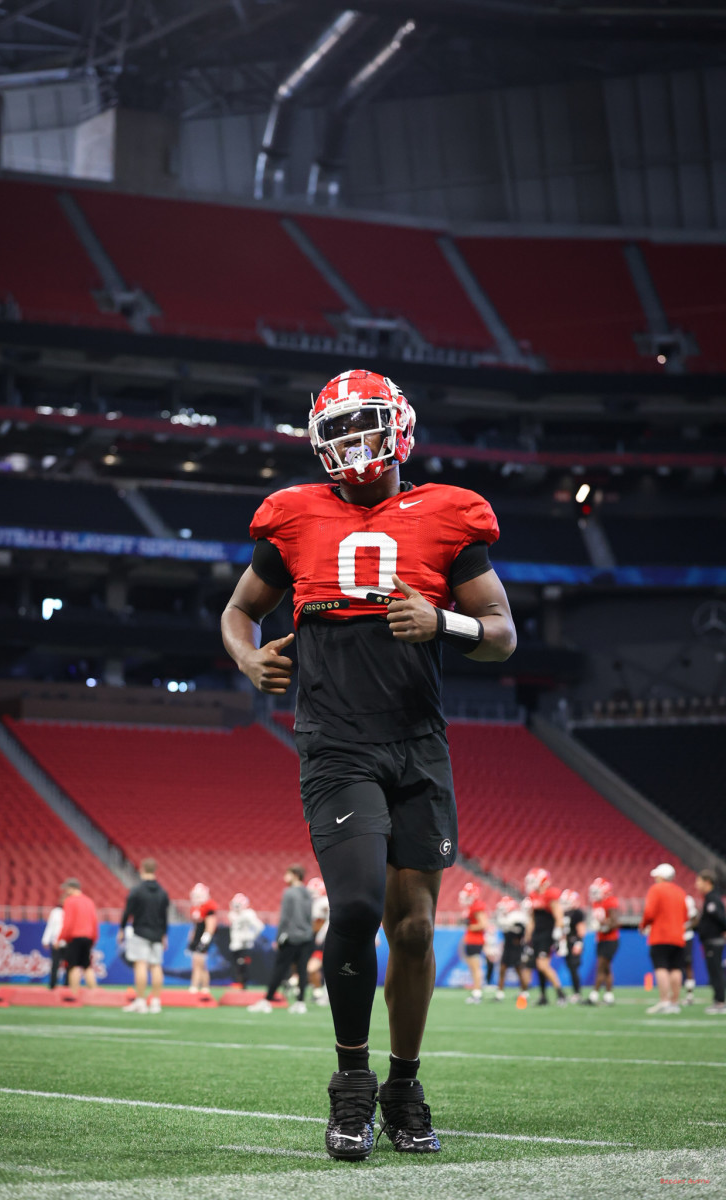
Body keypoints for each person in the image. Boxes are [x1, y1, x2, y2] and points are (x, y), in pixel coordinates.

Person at [222, 368, 516, 1160]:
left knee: (415, 928)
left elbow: (501, 633)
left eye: (366, 427)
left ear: (399, 429)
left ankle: (404, 1085)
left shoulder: (450, 514)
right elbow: (237, 610)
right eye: (340, 431)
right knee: (354, 910)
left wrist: (443, 620)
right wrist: (247, 661)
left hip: (417, 742)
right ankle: (350, 1085)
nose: (354, 445)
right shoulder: (291, 516)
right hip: (336, 740)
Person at [247, 865, 313, 1015]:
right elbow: (310, 916)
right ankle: (300, 1002)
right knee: (302, 970)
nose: (285, 877)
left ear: (295, 875)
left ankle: (267, 1001)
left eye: (287, 874)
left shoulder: (289, 893)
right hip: (307, 937)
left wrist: (278, 937)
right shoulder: (308, 893)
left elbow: (284, 917)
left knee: (279, 969)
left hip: (290, 937)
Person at [118, 858, 170, 1014]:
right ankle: (155, 1001)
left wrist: (121, 928)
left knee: (141, 965)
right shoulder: (162, 892)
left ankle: (141, 1001)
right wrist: (164, 934)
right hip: (157, 933)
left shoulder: (137, 890)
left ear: (141, 869)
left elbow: (128, 912)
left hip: (140, 932)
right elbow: (164, 916)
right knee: (156, 966)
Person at [639, 862, 687, 1015]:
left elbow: (649, 912)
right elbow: (685, 915)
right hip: (679, 935)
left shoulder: (656, 889)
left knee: (661, 967)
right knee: (676, 968)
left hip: (661, 935)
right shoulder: (680, 892)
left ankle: (664, 1000)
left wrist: (643, 925)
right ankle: (675, 1002)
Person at [524, 868, 567, 1007]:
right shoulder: (533, 895)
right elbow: (532, 919)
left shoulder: (551, 894)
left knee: (543, 965)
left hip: (547, 934)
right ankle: (543, 996)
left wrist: (559, 934)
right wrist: (527, 937)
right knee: (538, 966)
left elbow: (558, 915)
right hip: (537, 934)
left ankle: (560, 993)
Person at [57, 878, 98, 997]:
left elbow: (67, 922)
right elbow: (94, 921)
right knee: (86, 965)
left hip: (75, 936)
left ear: (71, 888)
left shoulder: (70, 901)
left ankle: (74, 994)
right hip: (88, 937)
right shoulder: (89, 901)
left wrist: (60, 938)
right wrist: (94, 938)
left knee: (73, 965)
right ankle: (95, 993)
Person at [694, 869, 726, 1014]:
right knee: (714, 971)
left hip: (714, 940)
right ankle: (718, 1000)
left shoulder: (713, 899)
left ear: (708, 882)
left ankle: (720, 1001)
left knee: (716, 971)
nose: (696, 884)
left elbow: (721, 918)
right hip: (711, 940)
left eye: (699, 881)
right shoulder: (710, 898)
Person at [585, 877, 620, 1006]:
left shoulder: (610, 901)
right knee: (606, 968)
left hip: (610, 939)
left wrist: (603, 927)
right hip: (601, 939)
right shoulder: (596, 903)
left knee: (601, 967)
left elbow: (615, 922)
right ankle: (609, 996)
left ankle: (594, 995)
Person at [494, 895, 531, 1002]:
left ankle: (524, 991)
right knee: (502, 969)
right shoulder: (505, 918)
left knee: (518, 969)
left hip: (516, 947)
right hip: (507, 946)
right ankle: (500, 993)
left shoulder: (517, 917)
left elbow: (520, 932)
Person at [458, 881, 487, 1004]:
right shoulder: (471, 906)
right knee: (473, 968)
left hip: (475, 941)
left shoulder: (477, 906)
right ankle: (476, 992)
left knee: (476, 968)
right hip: (471, 940)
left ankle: (477, 994)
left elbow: (483, 924)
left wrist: (469, 926)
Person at [227, 892, 265, 988]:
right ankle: (239, 982)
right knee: (236, 964)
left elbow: (259, 926)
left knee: (242, 964)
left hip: (245, 945)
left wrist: (250, 936)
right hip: (235, 944)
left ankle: (242, 983)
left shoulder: (248, 914)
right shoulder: (232, 915)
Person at [188, 883, 217, 996]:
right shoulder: (197, 908)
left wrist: (205, 940)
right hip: (198, 938)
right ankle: (205, 987)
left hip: (203, 939)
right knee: (201, 964)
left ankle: (195, 986)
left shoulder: (209, 908)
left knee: (197, 963)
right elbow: (196, 926)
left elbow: (211, 925)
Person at [559, 889, 586, 1003]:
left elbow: (581, 930)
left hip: (575, 942)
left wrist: (578, 943)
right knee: (570, 968)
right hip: (567, 943)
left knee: (574, 968)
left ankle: (577, 993)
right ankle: (576, 992)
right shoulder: (564, 913)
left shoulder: (577, 913)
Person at [307, 877, 330, 1006]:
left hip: (326, 939)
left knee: (328, 968)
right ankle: (321, 994)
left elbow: (317, 924)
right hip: (329, 938)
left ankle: (326, 996)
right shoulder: (327, 901)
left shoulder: (320, 903)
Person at [41, 895, 65, 990]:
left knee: (69, 966)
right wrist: (46, 940)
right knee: (55, 964)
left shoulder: (73, 911)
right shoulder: (55, 912)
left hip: (69, 943)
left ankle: (67, 986)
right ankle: (52, 985)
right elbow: (50, 926)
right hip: (56, 943)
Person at [682, 892, 699, 1005]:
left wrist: (683, 927)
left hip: (685, 937)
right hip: (671, 937)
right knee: (671, 967)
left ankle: (689, 995)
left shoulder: (686, 899)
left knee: (687, 964)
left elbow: (694, 919)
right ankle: (671, 995)